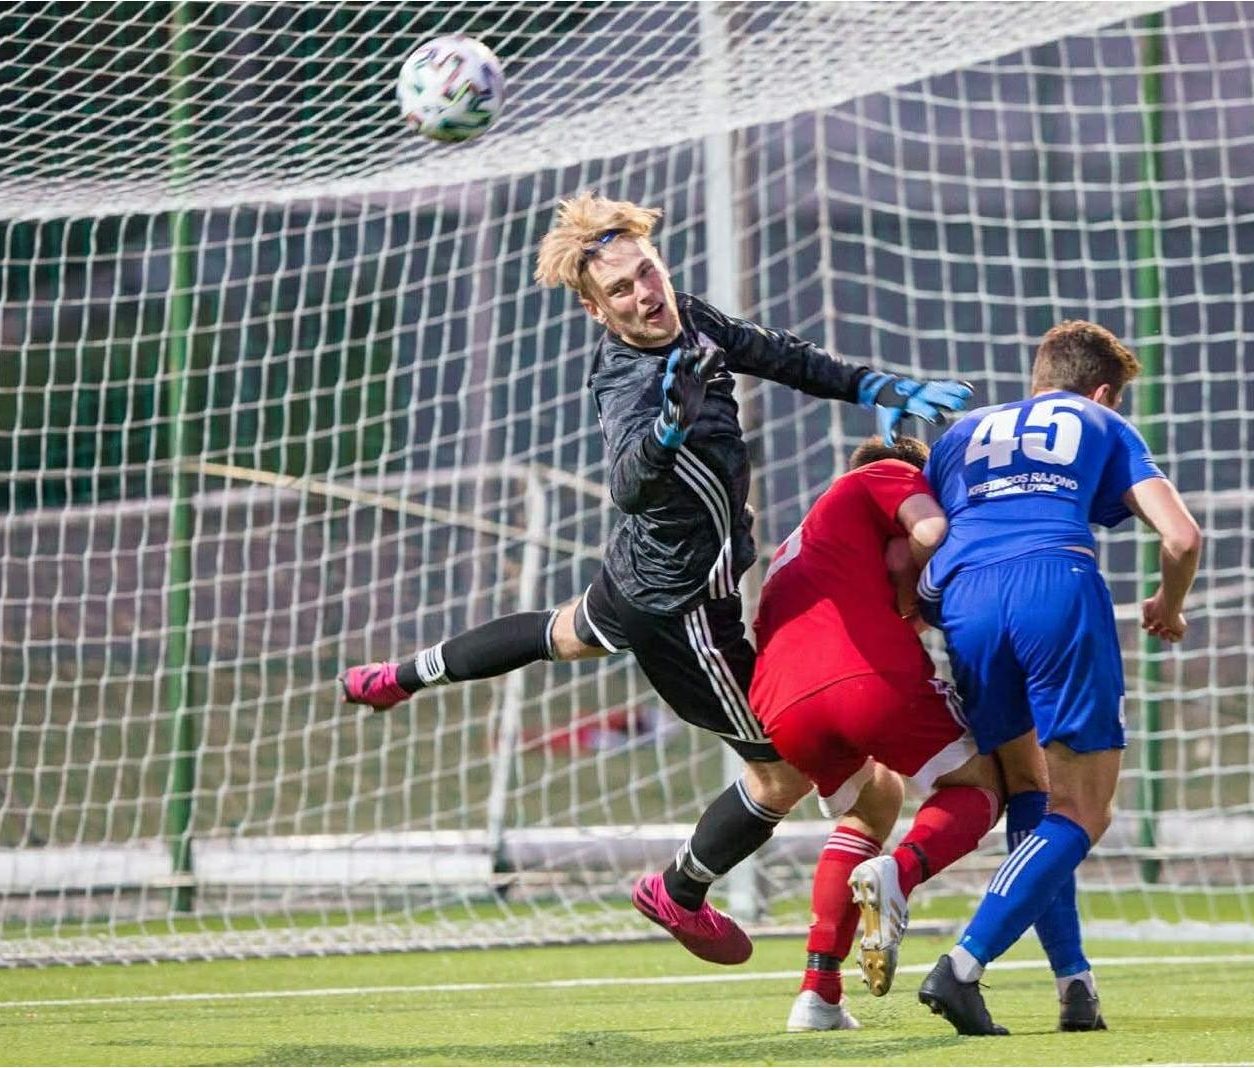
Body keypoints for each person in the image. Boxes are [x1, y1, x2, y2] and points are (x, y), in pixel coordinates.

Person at [338, 190, 974, 966]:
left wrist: (878, 388)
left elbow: (778, 354)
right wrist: (671, 426)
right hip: (685, 612)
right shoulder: (630, 383)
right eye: (622, 291)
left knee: (560, 633)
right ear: (596, 311)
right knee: (780, 774)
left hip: (635, 571)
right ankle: (678, 890)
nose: (646, 295)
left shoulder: (690, 318)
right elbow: (630, 482)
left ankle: (400, 676)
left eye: (648, 273)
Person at [909, 319, 1202, 1035]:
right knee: (1085, 809)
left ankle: (1075, 984)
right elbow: (1182, 535)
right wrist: (1170, 601)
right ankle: (963, 964)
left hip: (966, 601)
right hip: (1054, 585)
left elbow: (921, 530)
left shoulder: (960, 432)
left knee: (1032, 792)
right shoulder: (1098, 420)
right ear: (1102, 391)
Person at [748, 435, 1002, 1031]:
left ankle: (819, 995)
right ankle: (901, 872)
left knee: (871, 802)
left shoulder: (802, 538)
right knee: (982, 784)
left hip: (780, 704)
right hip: (860, 674)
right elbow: (931, 533)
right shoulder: (885, 473)